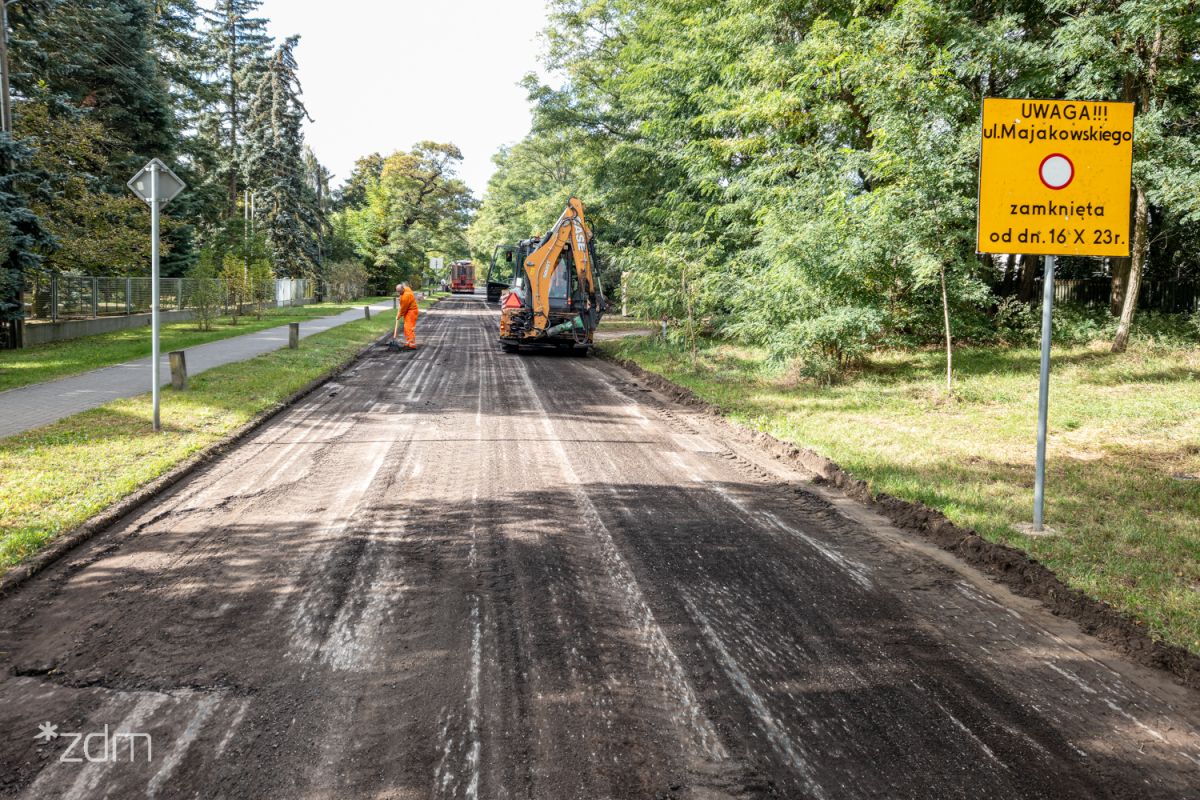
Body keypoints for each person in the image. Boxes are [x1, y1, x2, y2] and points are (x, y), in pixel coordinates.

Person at [395, 282, 419, 349]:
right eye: (398, 292)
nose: (399, 293)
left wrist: (399, 316)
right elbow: (403, 299)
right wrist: (400, 298)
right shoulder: (407, 289)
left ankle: (412, 344)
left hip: (411, 311)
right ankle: (408, 342)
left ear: (403, 288)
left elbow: (403, 309)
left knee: (408, 328)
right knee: (406, 327)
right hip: (410, 311)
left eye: (400, 291)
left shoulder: (405, 296)